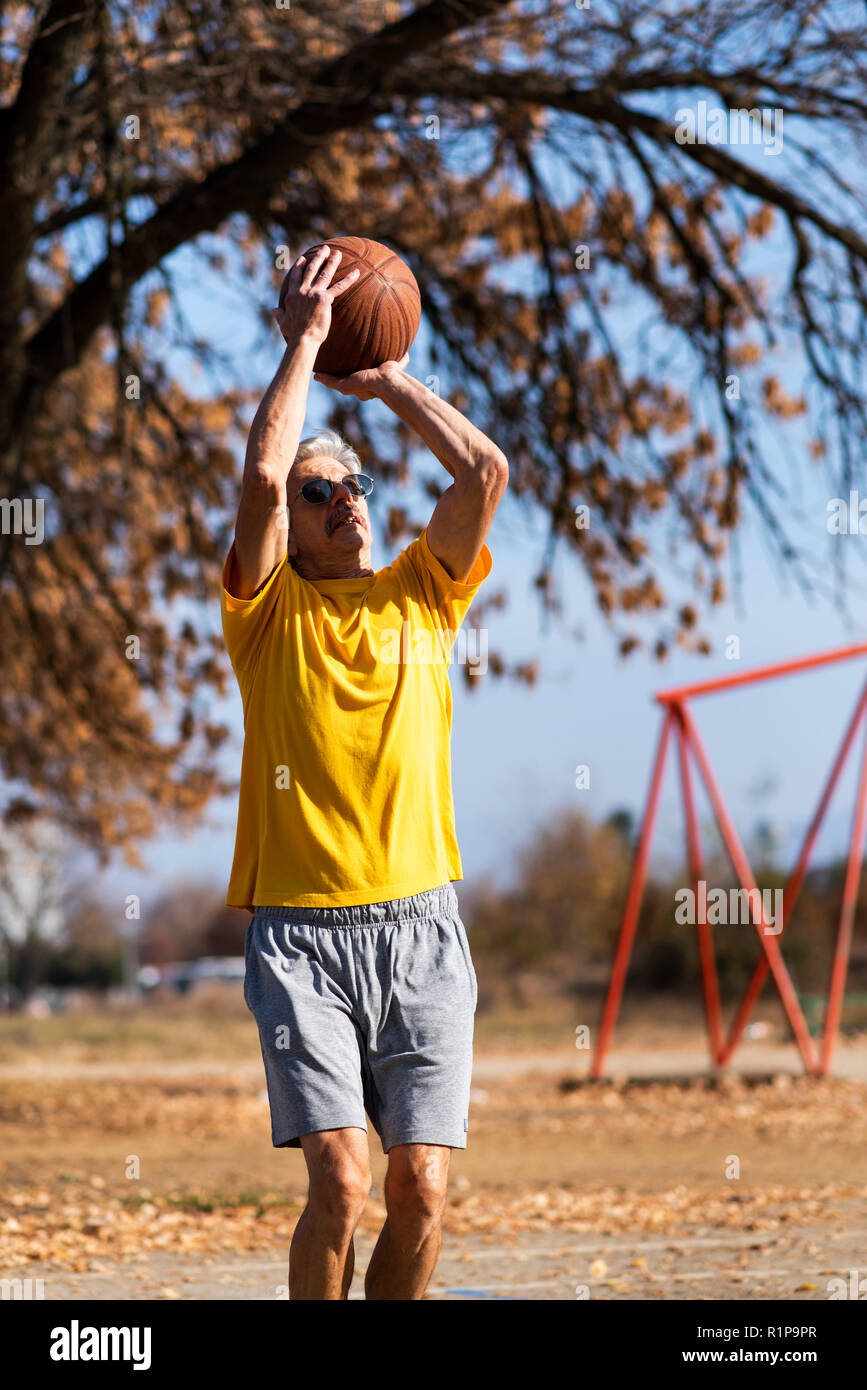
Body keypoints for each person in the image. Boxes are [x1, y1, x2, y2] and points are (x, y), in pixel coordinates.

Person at [220, 245, 508, 1299]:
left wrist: (383, 378)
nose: (346, 496)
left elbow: (483, 473)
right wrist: (305, 340)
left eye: (356, 482)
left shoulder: (423, 593)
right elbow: (258, 475)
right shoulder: (267, 613)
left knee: (422, 1190)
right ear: (290, 526)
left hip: (424, 930)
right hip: (300, 936)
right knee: (341, 1184)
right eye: (320, 490)